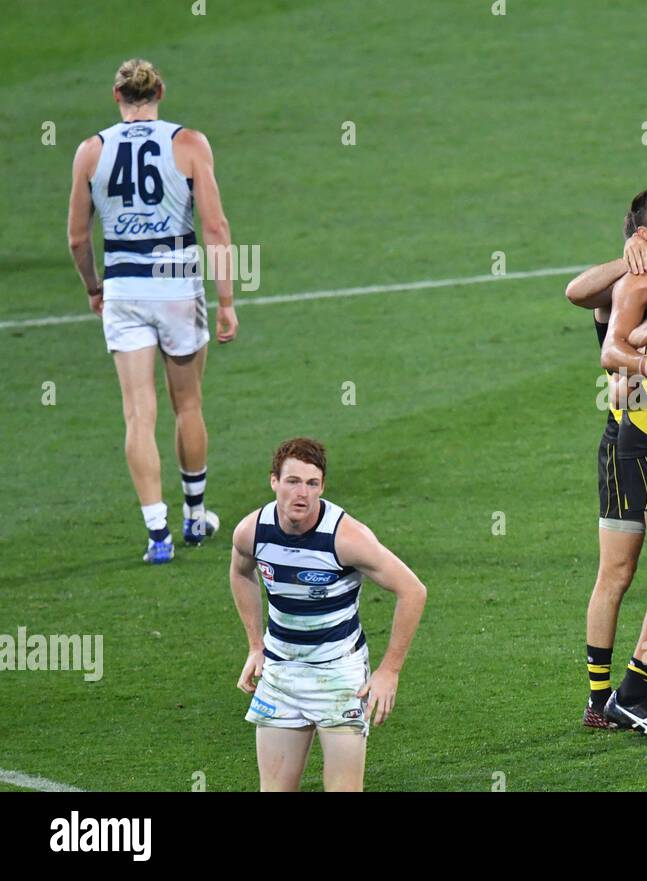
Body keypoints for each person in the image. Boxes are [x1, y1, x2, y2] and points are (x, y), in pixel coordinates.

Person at [67, 58, 238, 563]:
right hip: (175, 283)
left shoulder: (90, 151)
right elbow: (216, 228)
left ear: (116, 97)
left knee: (138, 413)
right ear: (160, 91)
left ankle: (157, 534)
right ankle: (194, 515)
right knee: (187, 404)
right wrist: (226, 300)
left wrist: (94, 287)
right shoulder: (189, 143)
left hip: (123, 284)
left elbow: (78, 237)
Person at [564, 197, 647, 730]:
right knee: (637, 570)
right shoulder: (637, 283)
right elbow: (579, 297)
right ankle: (613, 697)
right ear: (643, 233)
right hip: (636, 437)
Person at [229, 438, 427, 791]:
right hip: (281, 672)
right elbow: (241, 574)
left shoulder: (347, 538)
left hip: (339, 676)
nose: (301, 493)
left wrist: (390, 671)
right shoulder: (252, 532)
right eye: (292, 481)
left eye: (311, 483)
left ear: (322, 486)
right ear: (274, 481)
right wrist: (255, 646)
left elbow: (412, 590)